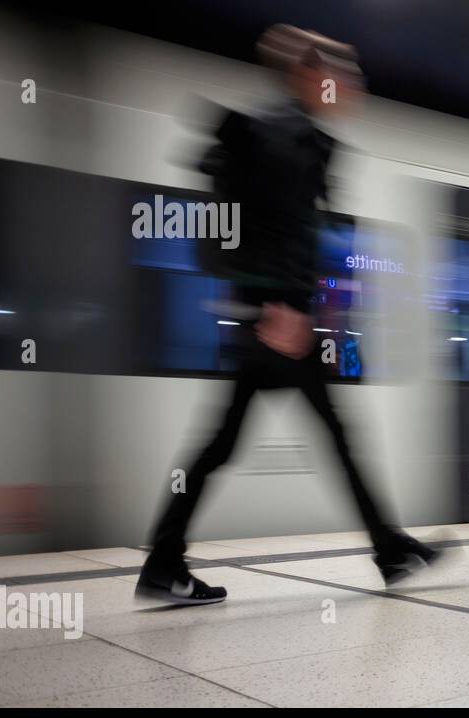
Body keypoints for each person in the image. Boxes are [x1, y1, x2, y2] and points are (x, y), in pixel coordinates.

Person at [137, 25, 442, 605]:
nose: (354, 84)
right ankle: (388, 549)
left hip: (270, 315)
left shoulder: (288, 133)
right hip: (280, 320)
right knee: (312, 439)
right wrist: (284, 305)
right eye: (344, 73)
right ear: (311, 76)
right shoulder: (287, 136)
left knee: (236, 442)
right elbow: (281, 230)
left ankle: (165, 562)